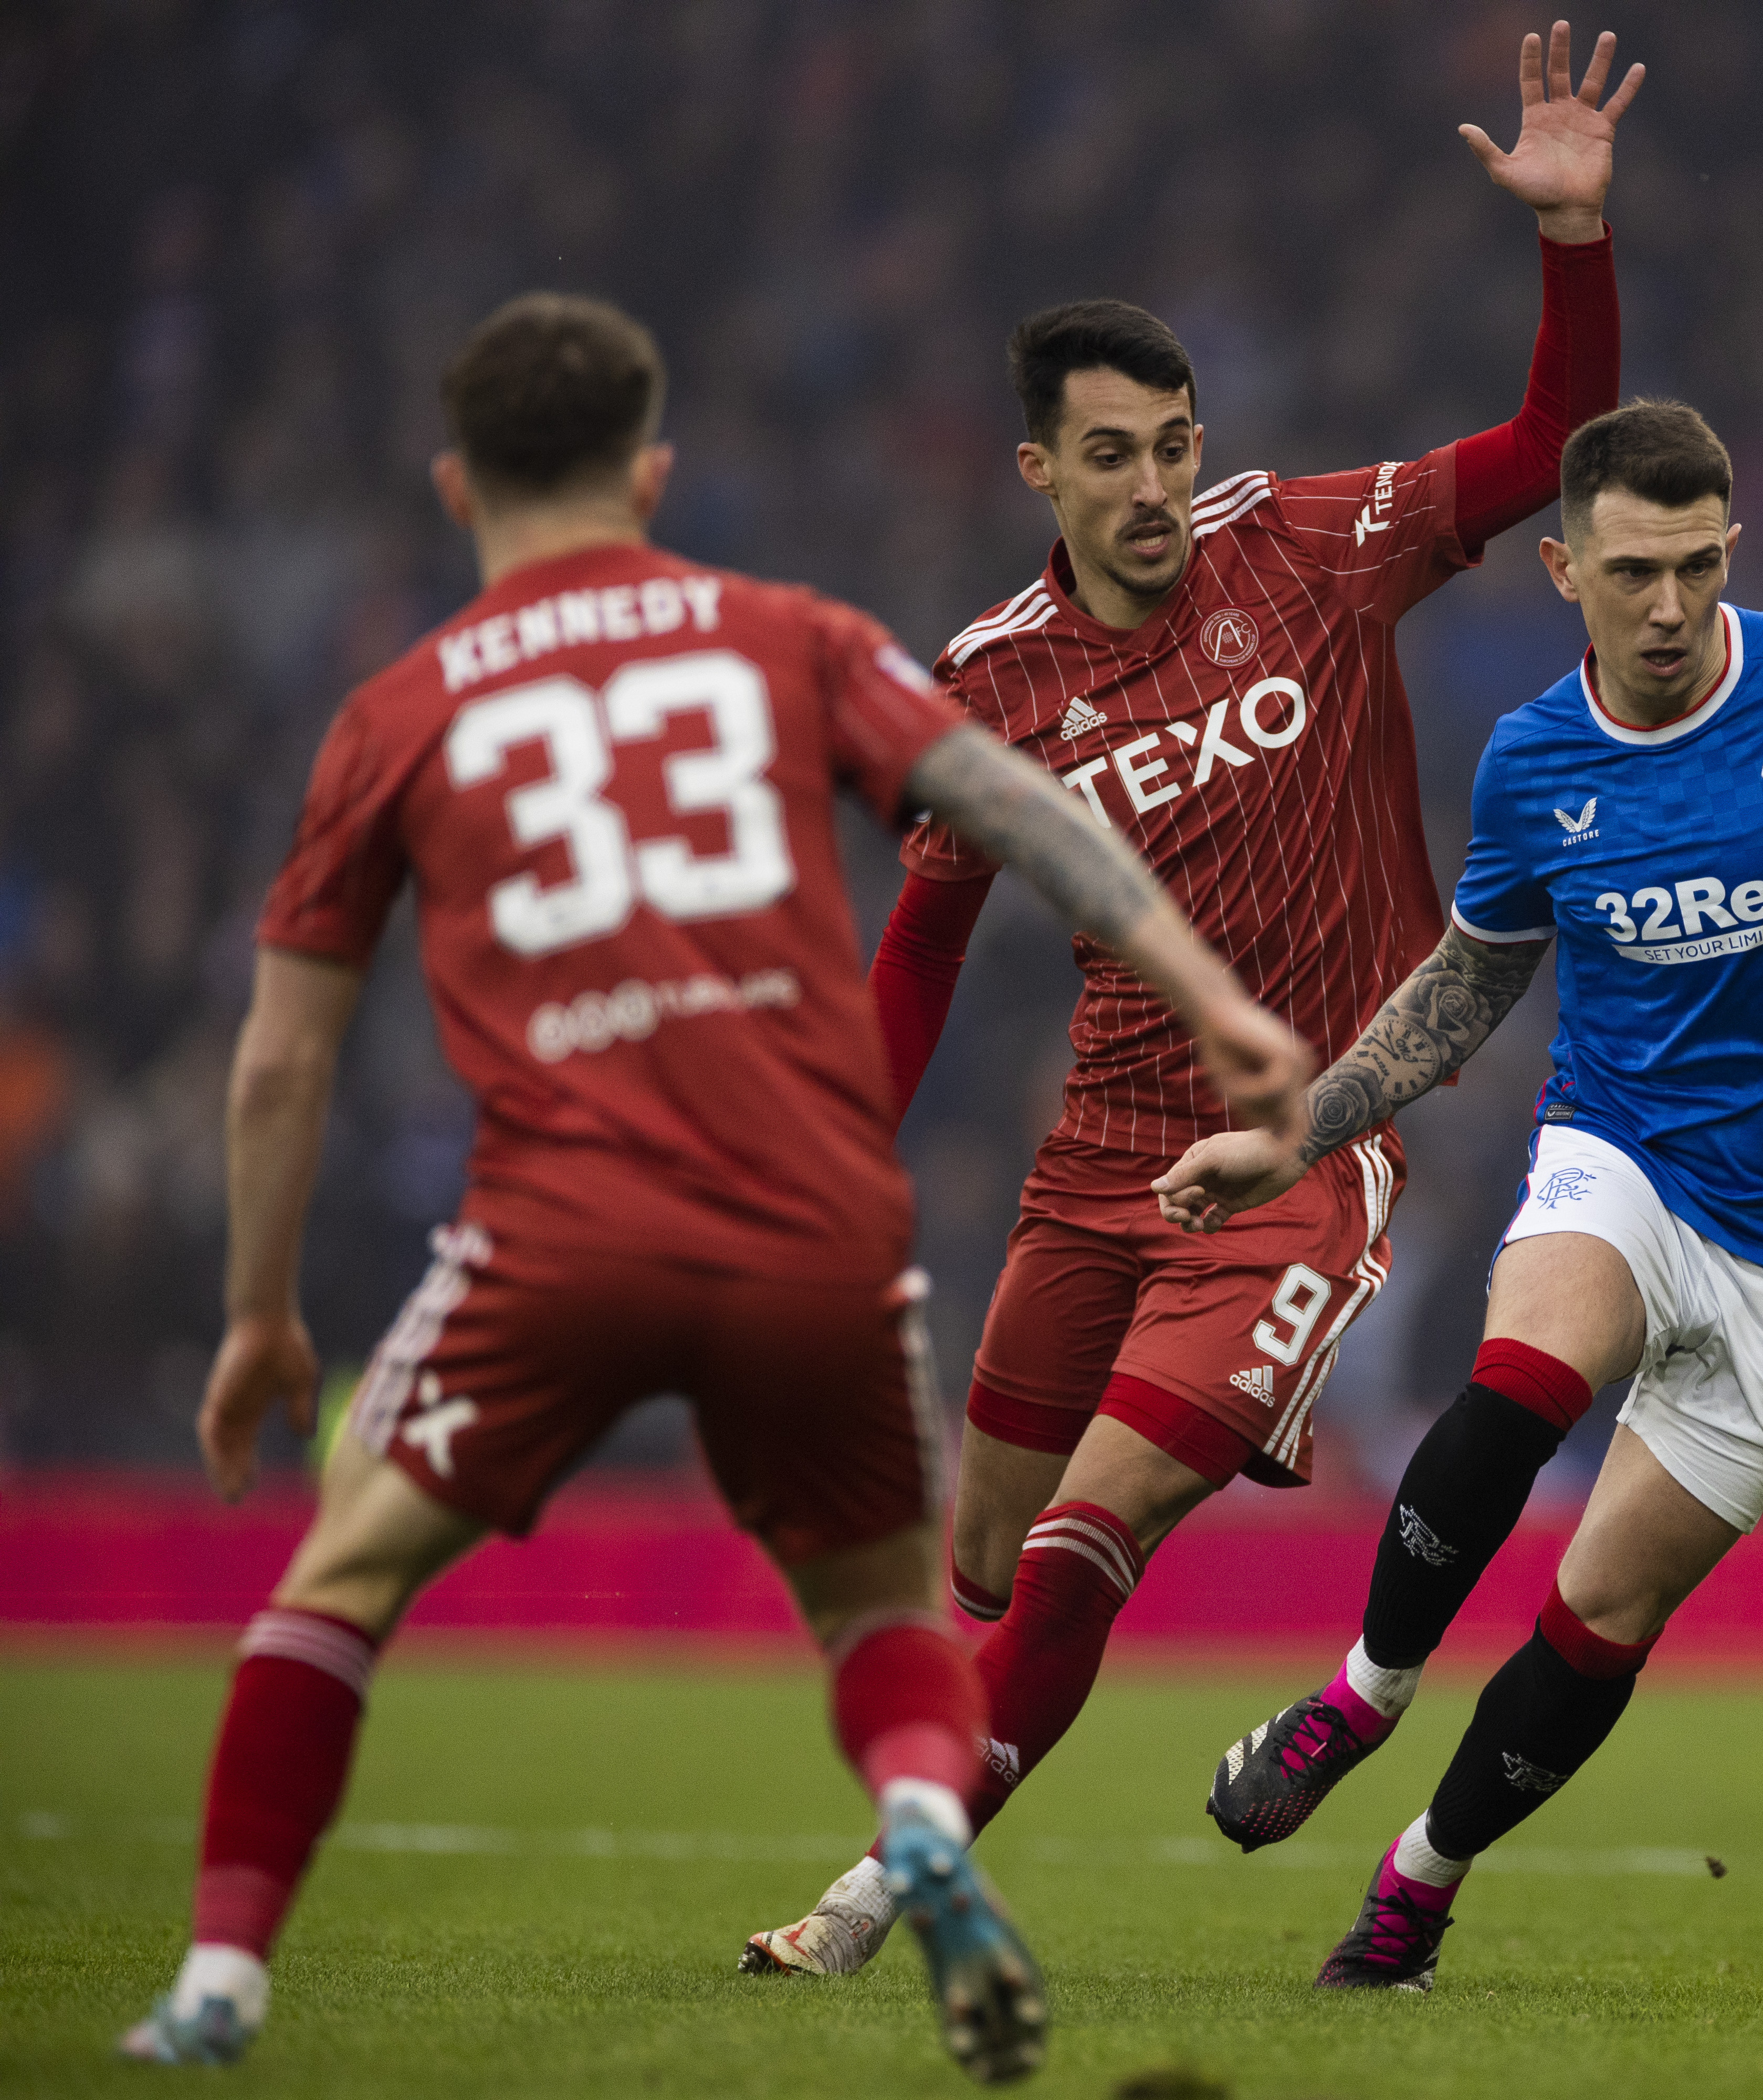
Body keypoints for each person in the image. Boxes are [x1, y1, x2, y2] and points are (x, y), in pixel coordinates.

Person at [116, 292, 1307, 2081]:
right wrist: (1219, 998)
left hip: (561, 1215)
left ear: (456, 487)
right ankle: (919, 1844)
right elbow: (1018, 810)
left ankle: (215, 1985)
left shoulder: (394, 711)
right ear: (656, 472)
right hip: (806, 1219)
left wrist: (258, 1317)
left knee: (338, 1583)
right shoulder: (789, 635)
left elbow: (282, 1059)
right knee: (889, 1608)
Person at [737, 20, 1642, 1983]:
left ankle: (877, 1895)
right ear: (1040, 469)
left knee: (1079, 1549)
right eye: (1118, 456)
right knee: (987, 1559)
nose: (1161, 484)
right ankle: (1162, 1506)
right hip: (1095, 1165)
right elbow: (917, 952)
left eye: (1179, 442)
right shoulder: (989, 684)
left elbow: (1546, 442)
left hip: (1309, 1146)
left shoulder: (1309, 548)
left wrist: (1573, 244)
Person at [1155, 395, 1763, 1989]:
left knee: (1601, 1612)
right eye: (1635, 571)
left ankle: (1416, 1891)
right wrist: (1301, 1132)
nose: (1669, 607)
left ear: (1729, 553)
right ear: (1563, 568)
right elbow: (1468, 984)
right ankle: (1360, 1695)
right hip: (1628, 1154)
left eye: (1698, 568)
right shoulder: (1532, 763)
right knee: (1522, 1377)